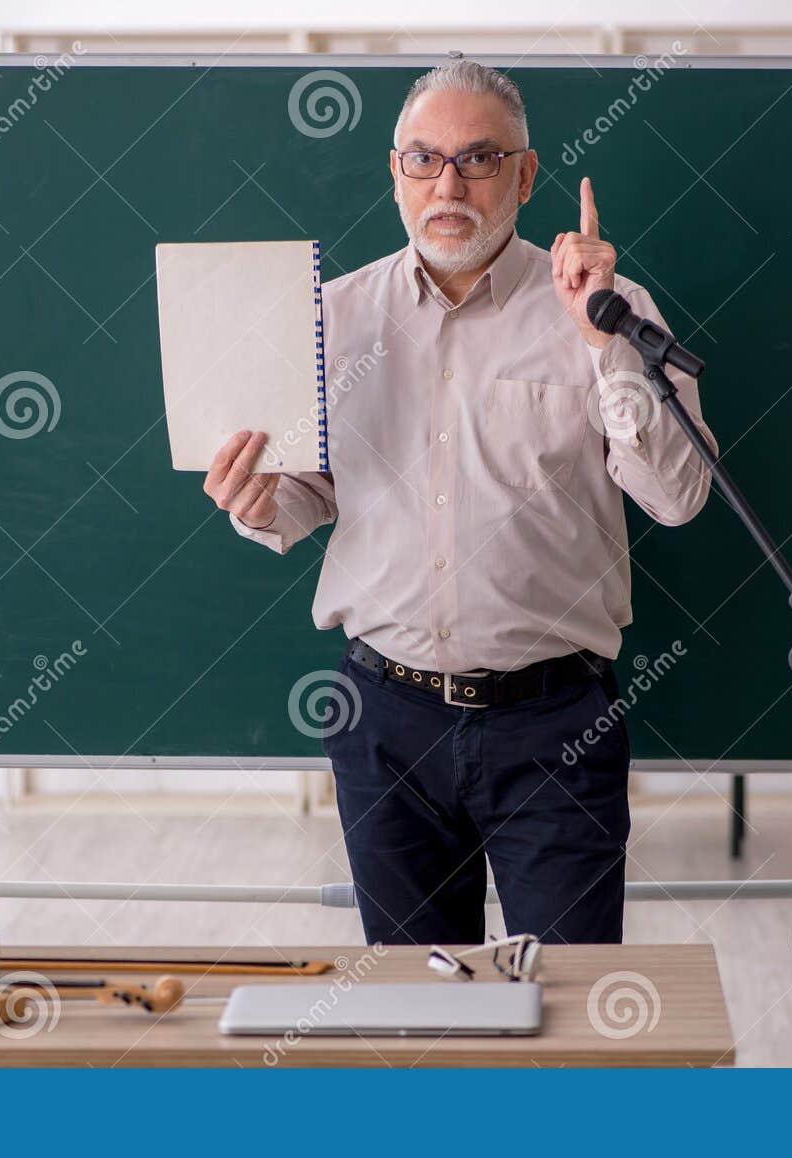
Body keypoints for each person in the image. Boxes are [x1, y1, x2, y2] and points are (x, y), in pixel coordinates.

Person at [203, 59, 715, 945]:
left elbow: (676, 498)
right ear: (393, 172)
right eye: (425, 159)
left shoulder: (610, 311)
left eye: (479, 159)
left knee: (569, 1023)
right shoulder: (331, 318)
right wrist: (253, 503)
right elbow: (307, 498)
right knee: (413, 1024)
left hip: (555, 728)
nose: (449, 183)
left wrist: (606, 350)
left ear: (525, 174)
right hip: (381, 724)